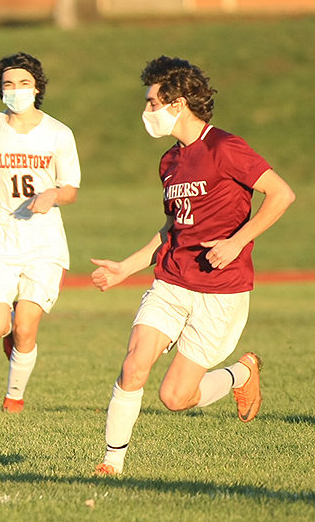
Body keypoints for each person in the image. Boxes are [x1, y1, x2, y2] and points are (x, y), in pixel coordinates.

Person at [91, 56, 295, 475]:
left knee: (175, 397)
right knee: (134, 366)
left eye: (152, 102)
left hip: (221, 289)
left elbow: (282, 194)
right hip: (172, 281)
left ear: (178, 103)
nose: (147, 111)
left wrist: (237, 242)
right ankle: (111, 464)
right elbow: (172, 228)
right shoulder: (169, 161)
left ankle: (240, 374)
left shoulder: (224, 147)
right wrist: (126, 268)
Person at [0, 52, 81, 412]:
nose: (16, 89)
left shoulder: (58, 133)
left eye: (24, 83)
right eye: (9, 84)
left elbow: (71, 189)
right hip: (0, 238)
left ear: (37, 88)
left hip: (44, 243)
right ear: (0, 89)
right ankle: (8, 327)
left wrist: (53, 194)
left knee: (25, 326)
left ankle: (14, 397)